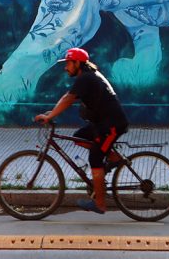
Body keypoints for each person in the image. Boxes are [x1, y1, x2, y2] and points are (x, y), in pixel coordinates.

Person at [34, 47, 129, 214]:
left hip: (112, 125)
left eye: (68, 63)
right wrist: (53, 112)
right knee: (79, 137)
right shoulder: (86, 77)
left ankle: (99, 204)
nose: (65, 67)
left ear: (77, 63)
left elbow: (68, 99)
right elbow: (68, 97)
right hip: (101, 124)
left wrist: (49, 117)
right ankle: (114, 158)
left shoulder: (86, 78)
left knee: (95, 158)